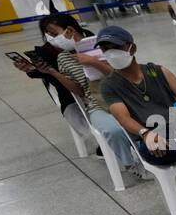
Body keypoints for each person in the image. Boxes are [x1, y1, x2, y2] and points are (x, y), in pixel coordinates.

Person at [37, 15, 147, 182]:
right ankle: (130, 162)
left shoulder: (103, 45)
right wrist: (53, 73)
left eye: (54, 33)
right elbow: (79, 91)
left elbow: (124, 75)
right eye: (48, 34)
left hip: (126, 94)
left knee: (151, 118)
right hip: (96, 102)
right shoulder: (63, 58)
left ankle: (155, 151)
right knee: (114, 130)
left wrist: (94, 62)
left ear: (70, 30)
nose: (52, 38)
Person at [96, 25, 176, 169]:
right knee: (156, 149)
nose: (111, 53)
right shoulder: (109, 84)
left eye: (116, 47)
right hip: (149, 134)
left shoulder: (158, 71)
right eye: (106, 49)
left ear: (132, 48)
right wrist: (145, 133)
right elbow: (123, 118)